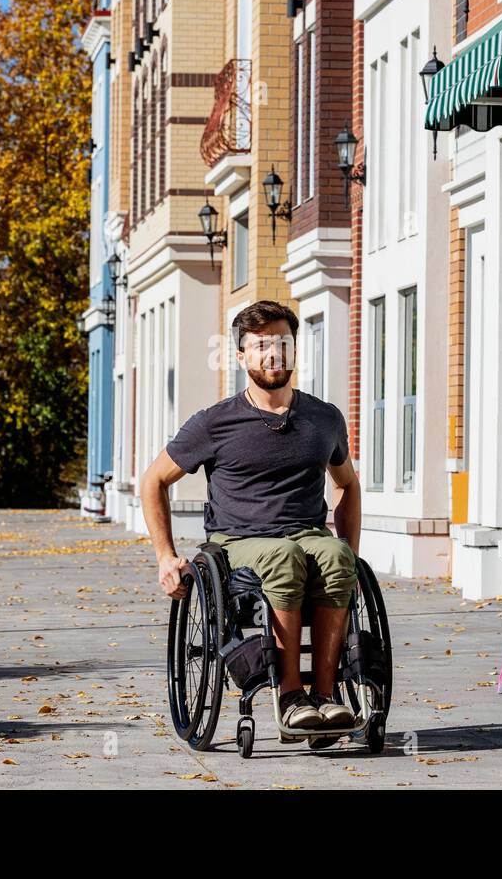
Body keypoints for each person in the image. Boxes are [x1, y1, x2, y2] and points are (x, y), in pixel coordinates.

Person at [141, 299, 362, 731]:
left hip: (307, 534)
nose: (273, 353)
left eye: (282, 342)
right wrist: (165, 557)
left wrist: (349, 552)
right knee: (284, 557)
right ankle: (292, 698)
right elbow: (153, 481)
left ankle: (326, 695)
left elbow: (347, 484)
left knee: (335, 558)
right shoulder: (214, 423)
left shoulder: (323, 418)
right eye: (261, 345)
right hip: (237, 542)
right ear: (241, 356)